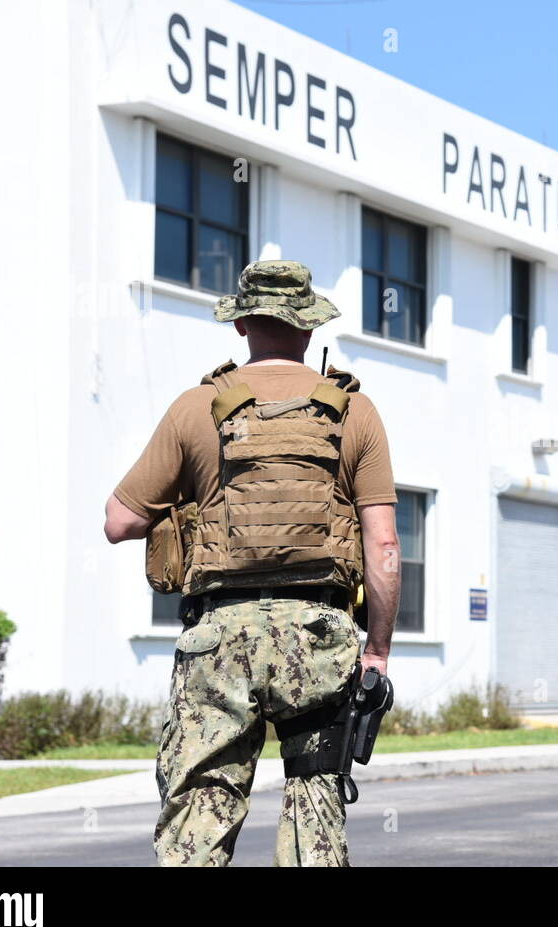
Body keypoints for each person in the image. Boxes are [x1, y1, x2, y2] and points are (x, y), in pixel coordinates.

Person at [103, 260, 400, 867]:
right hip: (319, 638)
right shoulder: (354, 412)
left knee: (201, 808)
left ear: (241, 325)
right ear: (309, 328)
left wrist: (185, 502)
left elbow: (119, 522)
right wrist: (377, 653)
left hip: (219, 638)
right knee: (314, 796)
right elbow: (385, 548)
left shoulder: (195, 408)